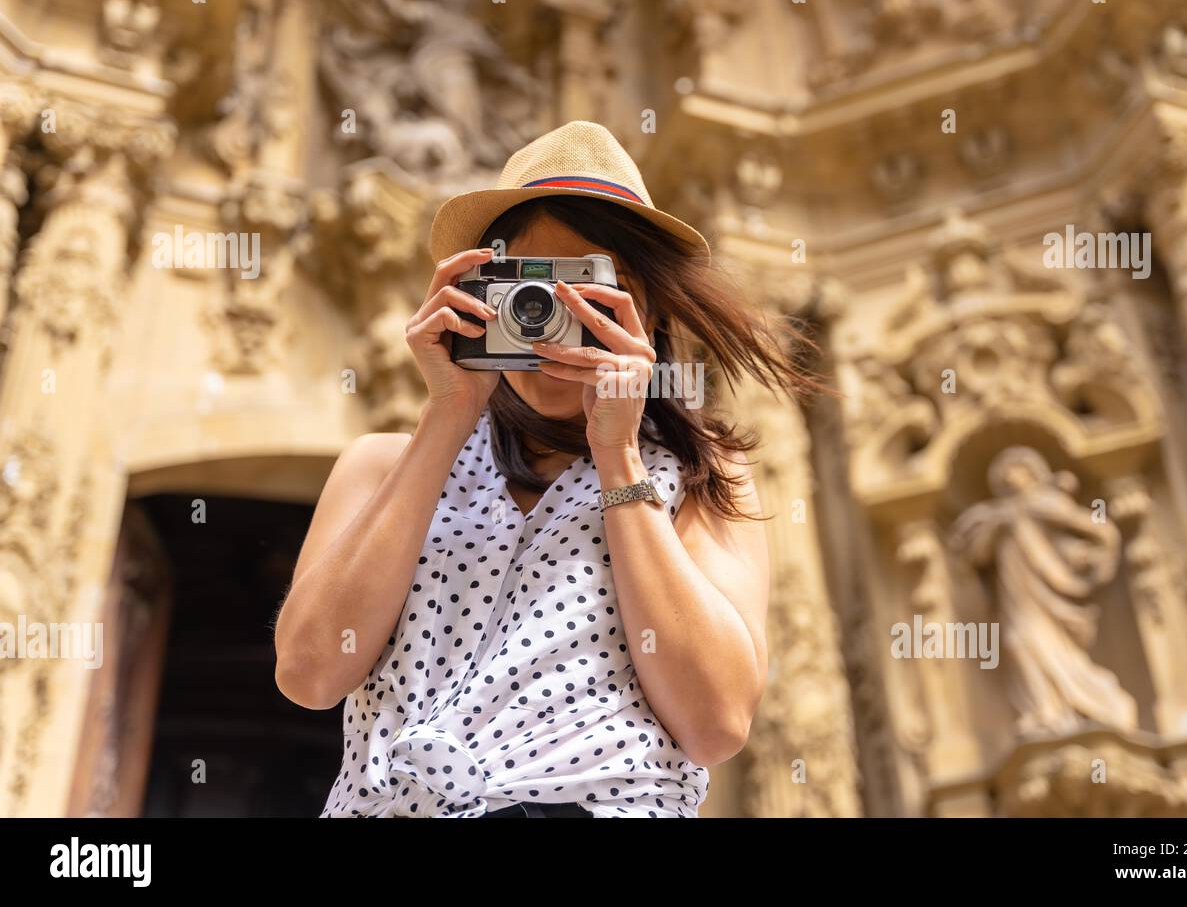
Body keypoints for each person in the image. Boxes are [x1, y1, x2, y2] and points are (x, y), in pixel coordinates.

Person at [275, 120, 817, 817]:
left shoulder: (701, 481)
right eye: (527, 292)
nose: (552, 320)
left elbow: (715, 722)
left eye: (589, 295)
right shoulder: (381, 466)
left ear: (646, 314)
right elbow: (311, 673)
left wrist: (619, 457)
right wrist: (447, 413)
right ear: (479, 294)